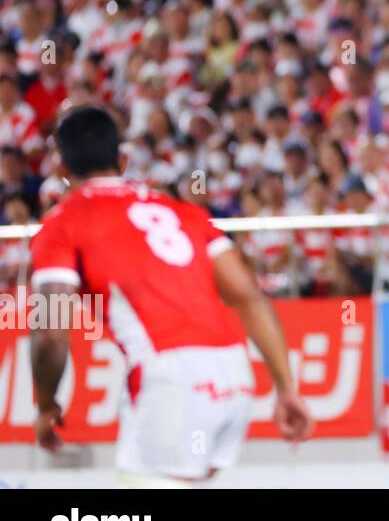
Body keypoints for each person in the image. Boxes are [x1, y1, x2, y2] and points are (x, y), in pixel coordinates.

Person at [29, 105, 313, 486]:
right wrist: (286, 387)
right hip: (233, 376)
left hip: (170, 381)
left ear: (62, 172)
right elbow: (250, 296)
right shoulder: (183, 212)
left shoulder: (63, 222)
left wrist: (46, 405)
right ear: (124, 159)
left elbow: (50, 331)